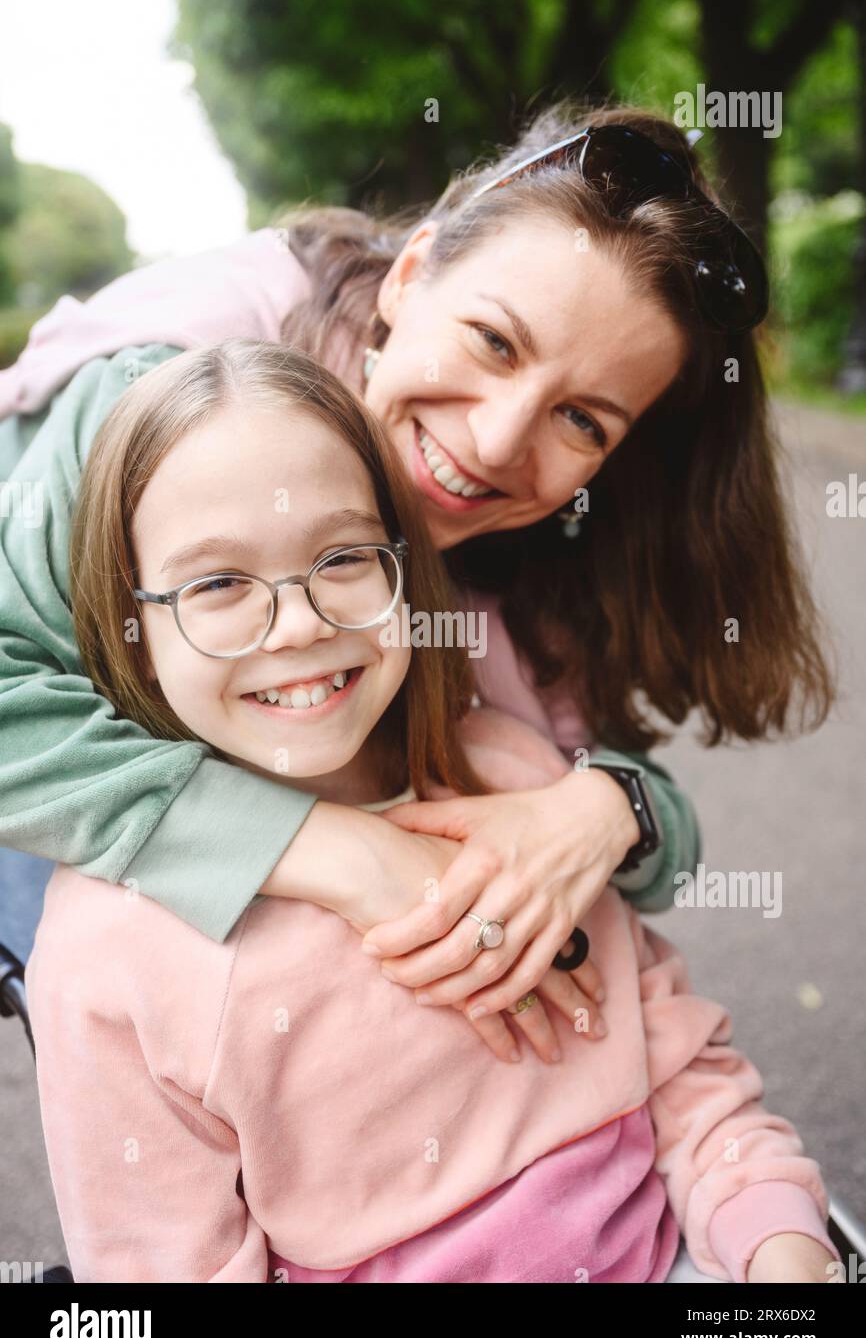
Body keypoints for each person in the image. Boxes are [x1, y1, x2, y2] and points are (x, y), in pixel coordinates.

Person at [0, 102, 834, 1046]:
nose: (495, 439)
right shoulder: (157, 414)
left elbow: (639, 802)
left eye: (584, 421)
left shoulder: (536, 538)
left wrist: (605, 810)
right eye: (493, 341)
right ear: (407, 277)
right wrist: (338, 854)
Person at [26, 341, 840, 1284]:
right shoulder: (106, 962)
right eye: (216, 584)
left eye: (343, 557)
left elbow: (689, 1089)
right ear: (124, 620)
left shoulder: (513, 776)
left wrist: (783, 1258)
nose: (298, 624)